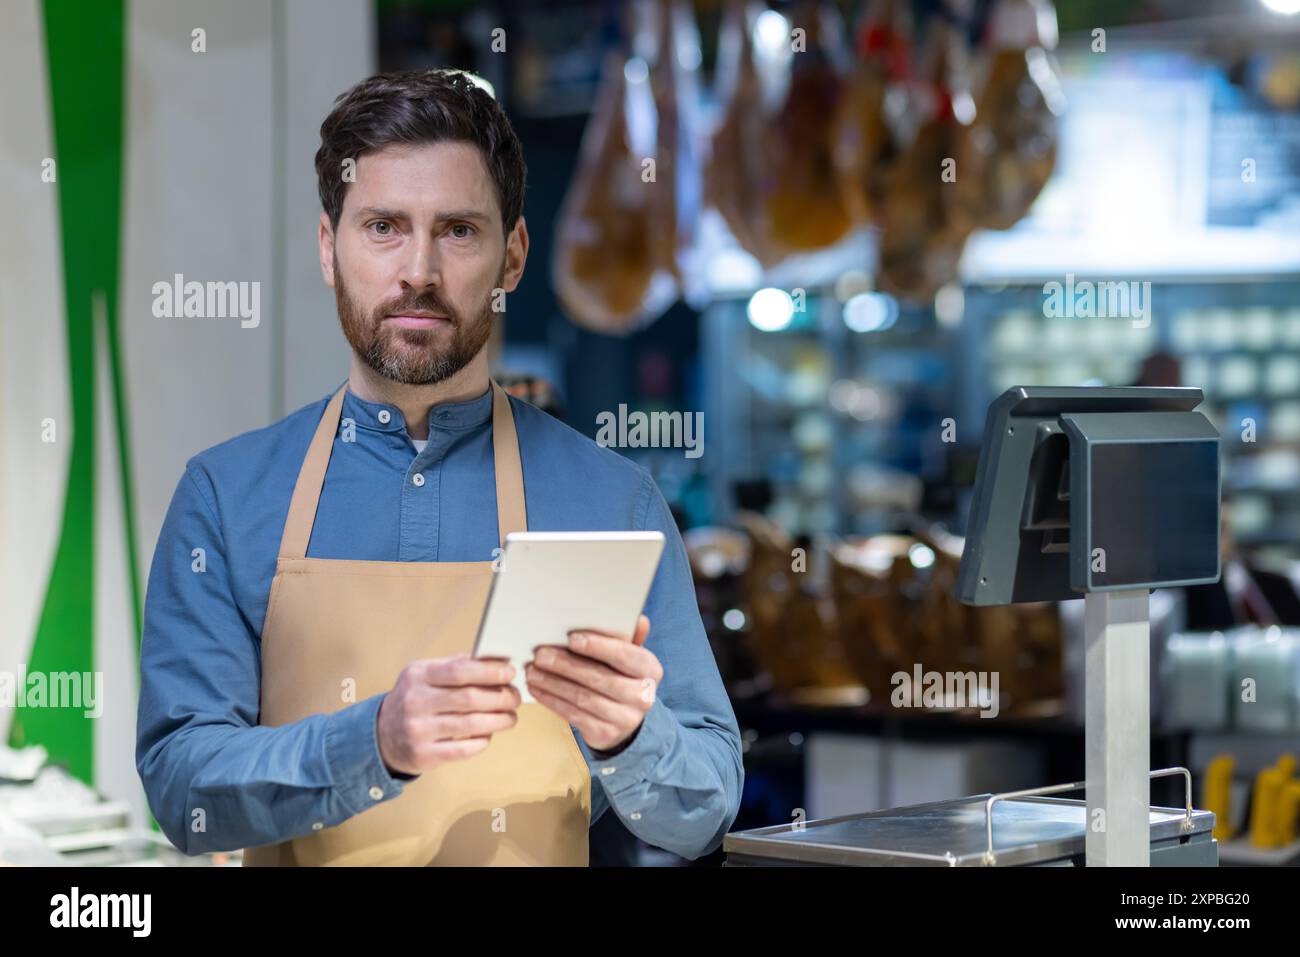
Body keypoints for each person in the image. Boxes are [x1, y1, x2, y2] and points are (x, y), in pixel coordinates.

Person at [135, 70, 743, 866]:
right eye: (383, 226)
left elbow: (706, 808)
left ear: (512, 256)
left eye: (458, 230)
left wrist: (632, 734)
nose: (418, 269)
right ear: (329, 247)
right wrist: (373, 741)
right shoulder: (225, 497)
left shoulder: (612, 499)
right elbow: (183, 792)